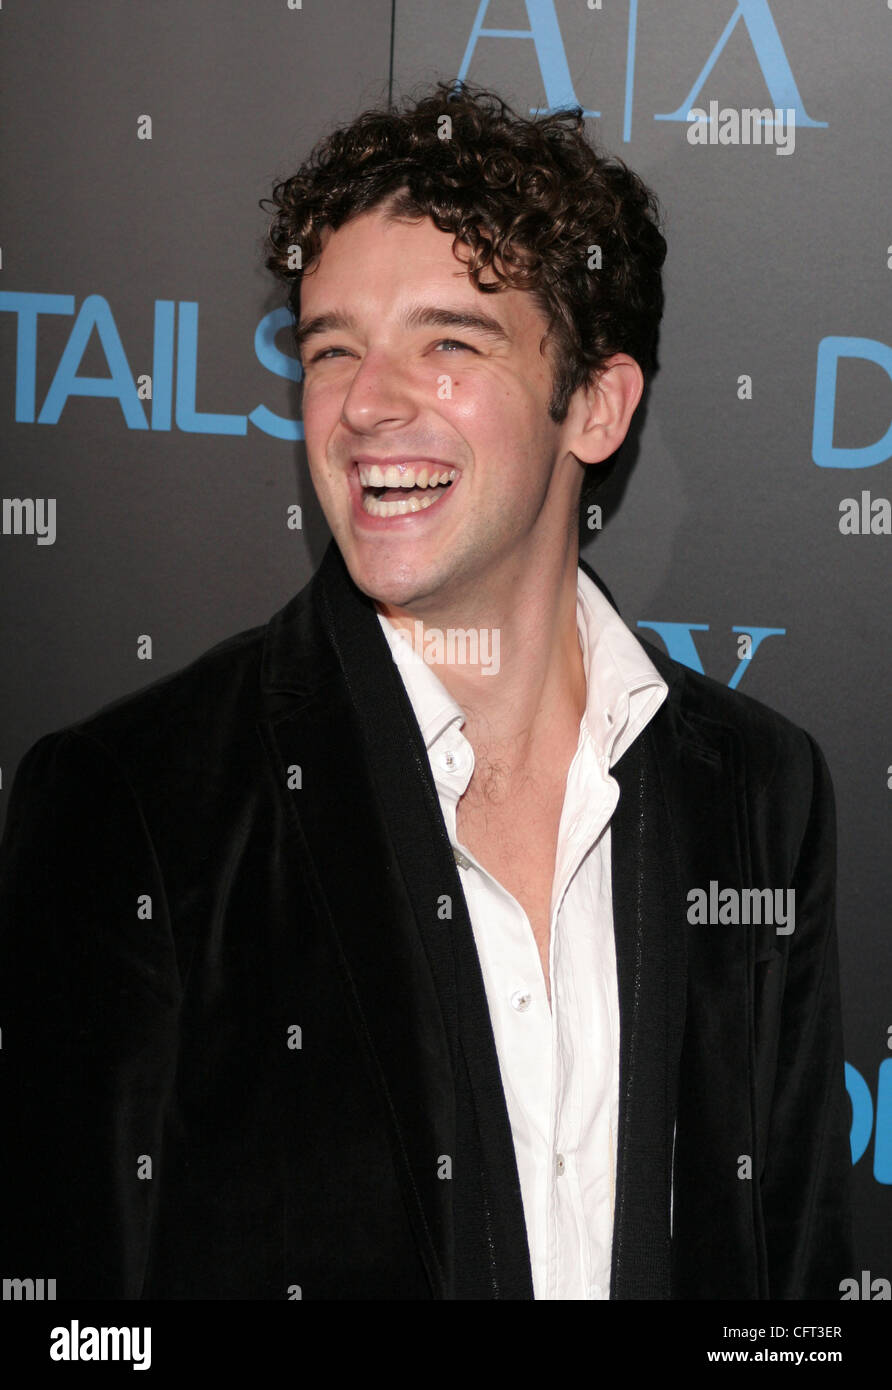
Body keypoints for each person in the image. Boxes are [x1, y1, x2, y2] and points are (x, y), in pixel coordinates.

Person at [0, 82, 852, 1300]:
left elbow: (793, 1282)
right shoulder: (137, 802)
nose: (365, 406)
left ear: (595, 406)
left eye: (448, 343)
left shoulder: (758, 789)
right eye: (331, 347)